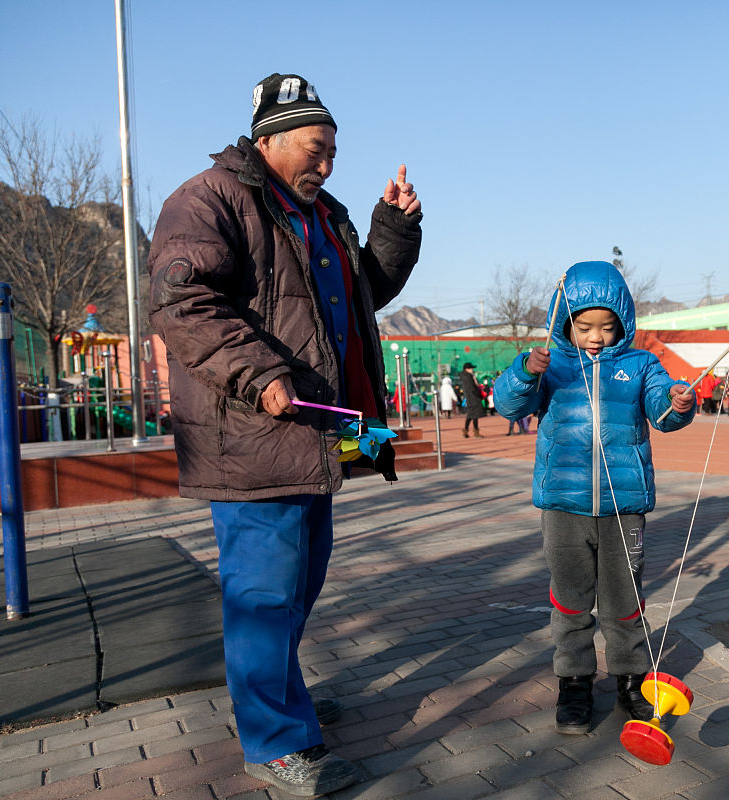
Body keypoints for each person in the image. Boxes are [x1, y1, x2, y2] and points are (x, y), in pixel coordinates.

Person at [147, 73, 422, 798]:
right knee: (263, 596)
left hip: (314, 433)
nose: (326, 164)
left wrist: (393, 229)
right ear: (267, 140)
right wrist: (258, 371)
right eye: (314, 148)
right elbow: (181, 301)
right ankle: (271, 740)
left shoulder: (324, 214)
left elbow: (359, 295)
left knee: (298, 587)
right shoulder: (207, 199)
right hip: (249, 434)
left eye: (333, 151)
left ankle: (279, 701)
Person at [492, 261, 696, 735]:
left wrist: (678, 403)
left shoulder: (641, 365)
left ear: (623, 322)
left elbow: (662, 409)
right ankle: (574, 683)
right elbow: (508, 404)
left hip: (624, 507)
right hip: (563, 506)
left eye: (607, 326)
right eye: (585, 326)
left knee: (625, 600)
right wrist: (524, 372)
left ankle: (631, 680)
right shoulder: (551, 364)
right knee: (570, 600)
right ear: (565, 322)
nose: (596, 337)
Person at [459, 362, 486, 437]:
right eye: (471, 368)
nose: (472, 370)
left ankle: (466, 430)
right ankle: (476, 432)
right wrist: (479, 394)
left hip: (470, 397)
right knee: (475, 415)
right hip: (473, 397)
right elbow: (472, 388)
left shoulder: (466, 376)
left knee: (470, 415)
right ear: (466, 369)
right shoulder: (468, 377)